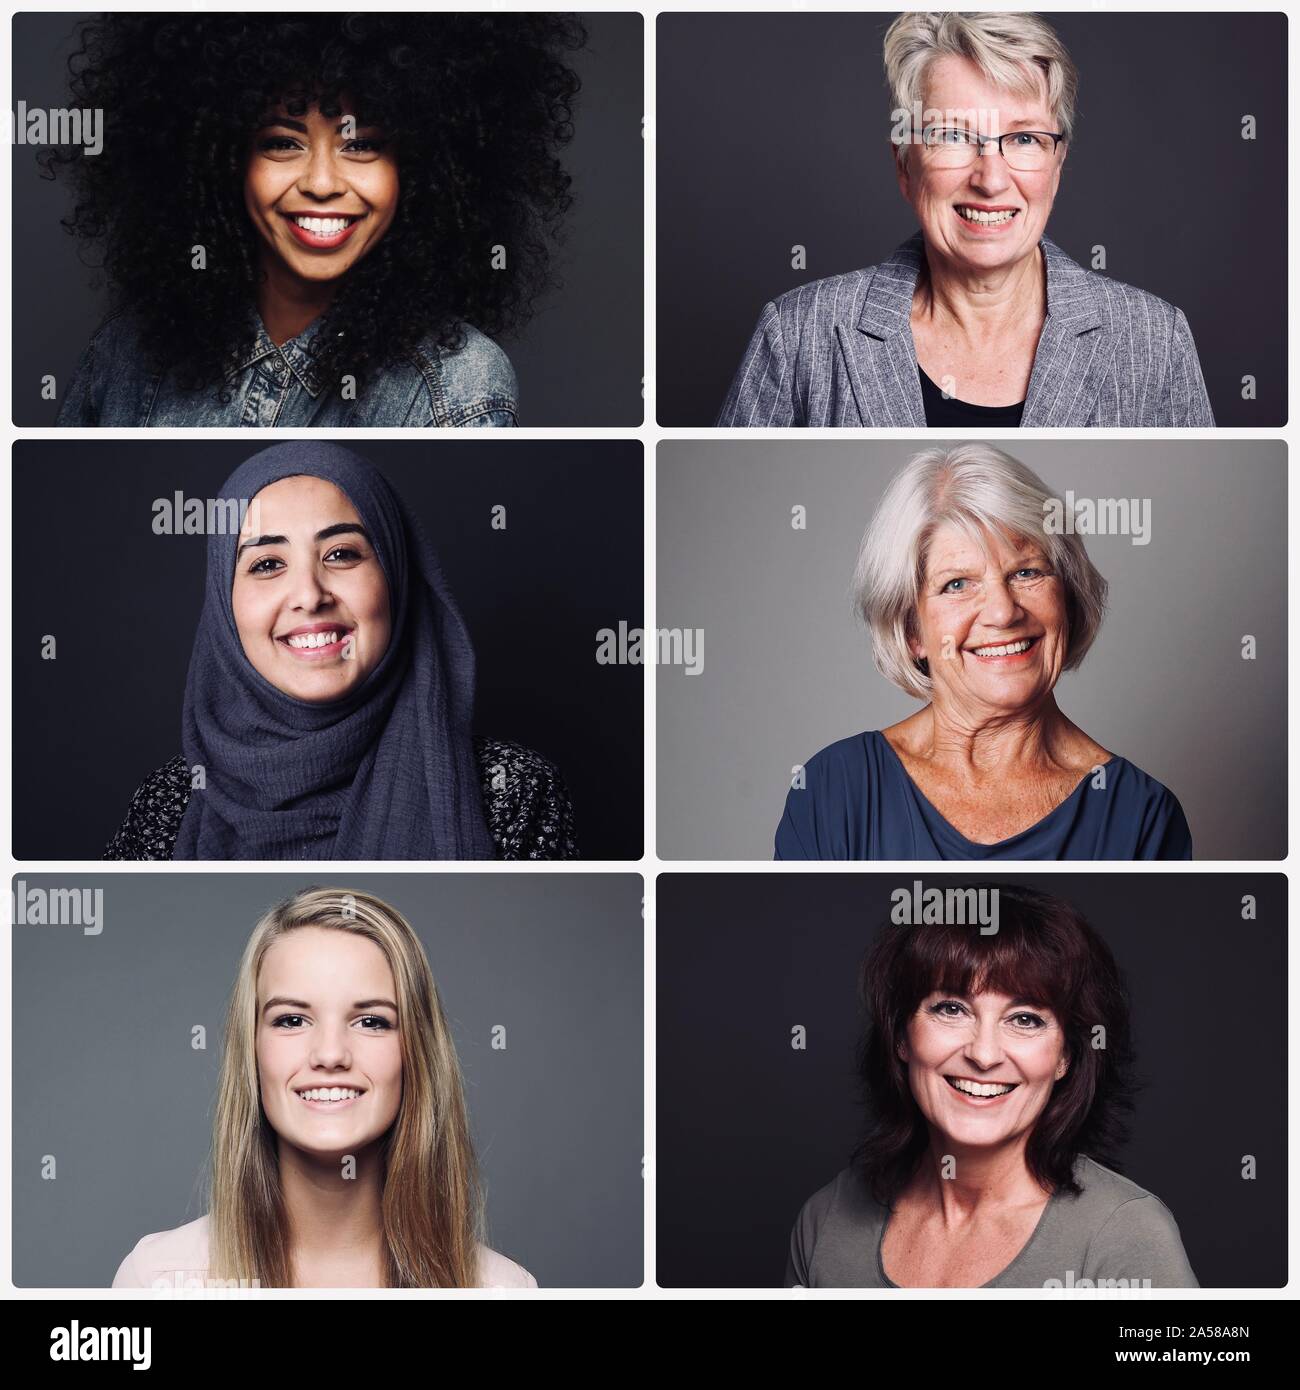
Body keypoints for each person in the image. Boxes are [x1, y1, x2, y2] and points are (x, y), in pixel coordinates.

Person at [47, 13, 584, 426]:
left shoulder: (458, 385)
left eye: (363, 145)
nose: (322, 183)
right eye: (283, 142)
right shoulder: (124, 353)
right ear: (219, 161)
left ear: (424, 170)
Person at [719, 11, 1213, 427]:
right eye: (953, 136)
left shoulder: (1155, 342)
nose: (991, 179)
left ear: (1056, 166)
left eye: (1024, 139)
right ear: (904, 165)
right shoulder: (798, 335)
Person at [105, 442, 576, 860]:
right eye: (268, 564)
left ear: (394, 576)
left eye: (341, 554)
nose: (310, 595)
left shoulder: (509, 790)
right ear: (223, 606)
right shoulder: (170, 799)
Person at [775, 444, 1192, 859]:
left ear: (1066, 596)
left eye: (1026, 572)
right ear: (911, 629)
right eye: (957, 584)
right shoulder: (833, 792)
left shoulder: (1142, 817)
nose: (1002, 611)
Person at [113, 888, 536, 1288]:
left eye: (371, 1021)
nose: (331, 1054)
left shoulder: (502, 1288)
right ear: (252, 1050)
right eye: (291, 1020)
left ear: (417, 1054)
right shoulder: (157, 1280)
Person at [786, 885, 1198, 1288]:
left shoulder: (1124, 1234)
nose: (984, 1055)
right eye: (952, 1009)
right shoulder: (827, 1220)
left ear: (1065, 1057)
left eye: (1024, 1019)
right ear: (901, 1037)